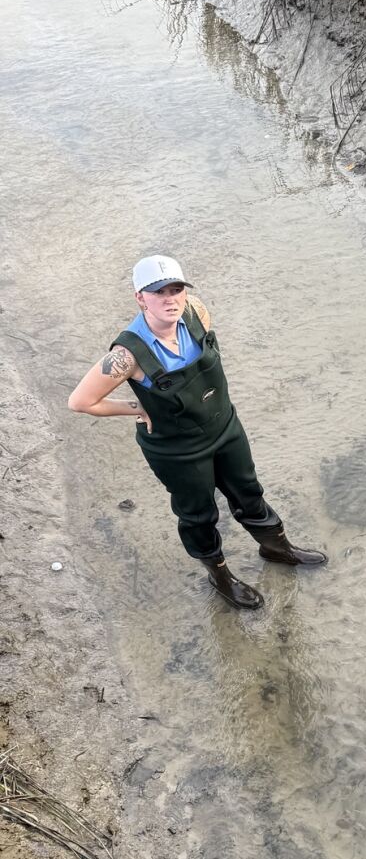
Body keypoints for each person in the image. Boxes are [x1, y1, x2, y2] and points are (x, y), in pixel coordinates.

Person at [67, 254, 326, 609]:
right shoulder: (128, 355)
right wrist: (136, 407)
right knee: (199, 514)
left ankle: (277, 548)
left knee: (249, 491)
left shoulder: (196, 313)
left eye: (176, 289)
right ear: (140, 297)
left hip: (224, 428)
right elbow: (81, 401)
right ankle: (220, 576)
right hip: (178, 451)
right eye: (158, 292)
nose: (170, 298)